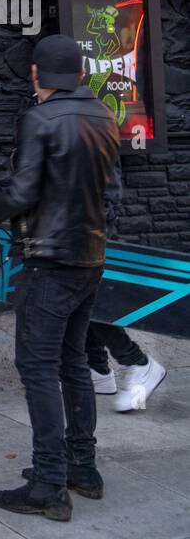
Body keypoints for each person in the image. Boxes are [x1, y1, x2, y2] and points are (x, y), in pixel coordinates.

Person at [0, 34, 120, 521]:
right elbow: (110, 191)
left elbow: (23, 189)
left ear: (36, 75)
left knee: (37, 366)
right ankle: (83, 467)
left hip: (49, 261)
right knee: (73, 362)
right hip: (90, 258)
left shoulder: (38, 118)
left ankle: (49, 483)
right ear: (79, 74)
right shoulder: (103, 115)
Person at [84, 159, 168, 411]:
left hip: (84, 224)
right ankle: (96, 367)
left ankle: (138, 363)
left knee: (86, 294)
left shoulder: (90, 122)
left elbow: (105, 181)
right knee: (81, 295)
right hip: (72, 222)